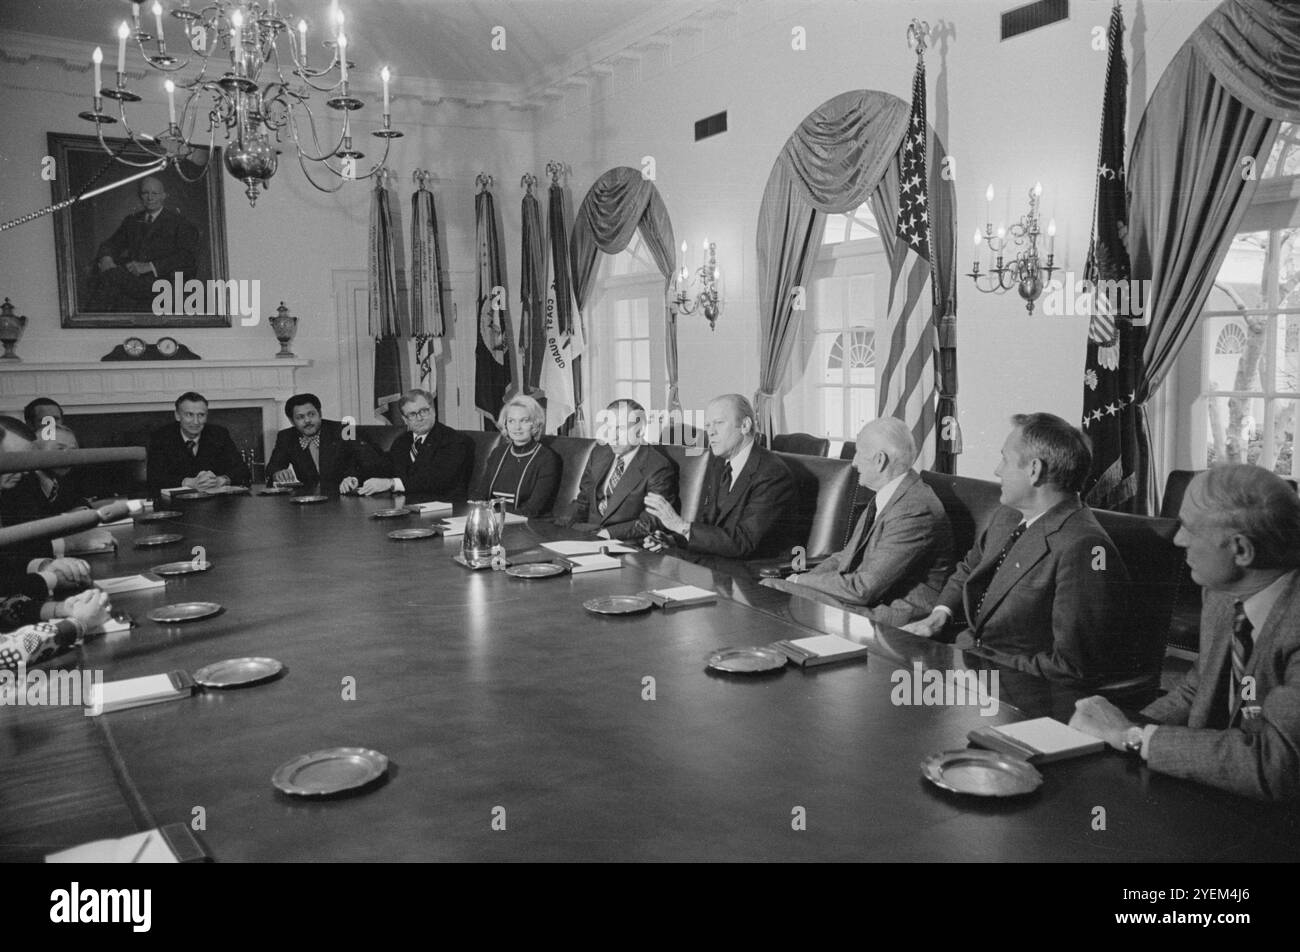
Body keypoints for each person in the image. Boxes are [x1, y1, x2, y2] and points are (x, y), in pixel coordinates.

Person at [1070, 465, 1300, 801]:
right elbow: (1195, 689)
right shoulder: (1223, 592)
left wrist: (1132, 736)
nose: (1177, 539)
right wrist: (1112, 732)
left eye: (1189, 529)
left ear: (1241, 550)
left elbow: (1275, 763)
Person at [901, 412, 1130, 687]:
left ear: (1034, 470)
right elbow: (969, 568)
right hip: (971, 663)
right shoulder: (1008, 516)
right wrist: (940, 615)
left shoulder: (1087, 547)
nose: (997, 470)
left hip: (1018, 687)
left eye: (1005, 460)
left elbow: (1072, 666)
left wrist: (976, 668)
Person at [762, 417, 953, 626]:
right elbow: (845, 556)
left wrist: (800, 581)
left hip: (892, 614)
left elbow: (864, 589)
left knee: (773, 589)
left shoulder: (915, 509)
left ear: (880, 460)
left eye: (859, 454)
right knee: (774, 588)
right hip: (869, 600)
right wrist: (805, 581)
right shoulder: (891, 494)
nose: (853, 463)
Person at [644, 394, 798, 559]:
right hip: (717, 561)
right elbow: (710, 525)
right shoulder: (719, 464)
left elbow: (744, 542)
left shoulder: (772, 473)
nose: (710, 432)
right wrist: (674, 540)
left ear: (745, 425)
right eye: (708, 425)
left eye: (719, 423)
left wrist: (680, 526)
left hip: (750, 569)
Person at [556, 398, 677, 541]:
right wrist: (559, 527)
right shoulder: (599, 453)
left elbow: (653, 520)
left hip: (624, 541)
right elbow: (583, 501)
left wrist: (609, 534)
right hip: (587, 536)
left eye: (620, 428)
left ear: (640, 430)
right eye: (609, 428)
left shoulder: (658, 466)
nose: (612, 436)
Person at [87, 176, 200, 313]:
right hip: (134, 280)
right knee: (106, 276)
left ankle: (89, 323)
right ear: (140, 196)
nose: (150, 198)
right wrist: (106, 258)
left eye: (154, 193)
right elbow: (111, 243)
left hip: (163, 283)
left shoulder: (179, 223)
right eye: (145, 193)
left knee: (109, 278)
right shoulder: (132, 221)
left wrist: (149, 266)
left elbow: (187, 257)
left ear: (164, 196)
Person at [352, 389, 473, 499]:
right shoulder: (402, 441)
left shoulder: (454, 440)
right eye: (412, 414)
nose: (419, 418)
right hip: (408, 506)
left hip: (444, 508)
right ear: (405, 419)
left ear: (433, 411)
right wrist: (356, 478)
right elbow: (384, 466)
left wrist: (391, 484)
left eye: (423, 411)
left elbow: (437, 480)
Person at [266, 393, 382, 495]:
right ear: (291, 421)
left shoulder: (345, 430)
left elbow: (370, 463)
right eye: (300, 417)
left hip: (346, 496)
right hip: (309, 500)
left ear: (320, 413)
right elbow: (272, 467)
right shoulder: (286, 437)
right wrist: (278, 473)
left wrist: (353, 477)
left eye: (311, 414)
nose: (307, 421)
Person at [469, 394, 561, 516]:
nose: (517, 427)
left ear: (535, 424)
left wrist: (494, 517)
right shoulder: (498, 453)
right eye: (511, 421)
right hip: (492, 521)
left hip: (526, 525)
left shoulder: (546, 458)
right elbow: (481, 494)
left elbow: (533, 509)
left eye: (524, 420)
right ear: (505, 424)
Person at [146, 392, 250, 493]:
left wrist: (221, 480)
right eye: (189, 415)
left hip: (216, 503)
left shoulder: (219, 434)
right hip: (176, 504)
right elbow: (154, 479)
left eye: (201, 415)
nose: (196, 421)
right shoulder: (161, 437)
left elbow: (242, 470)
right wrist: (188, 482)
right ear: (177, 415)